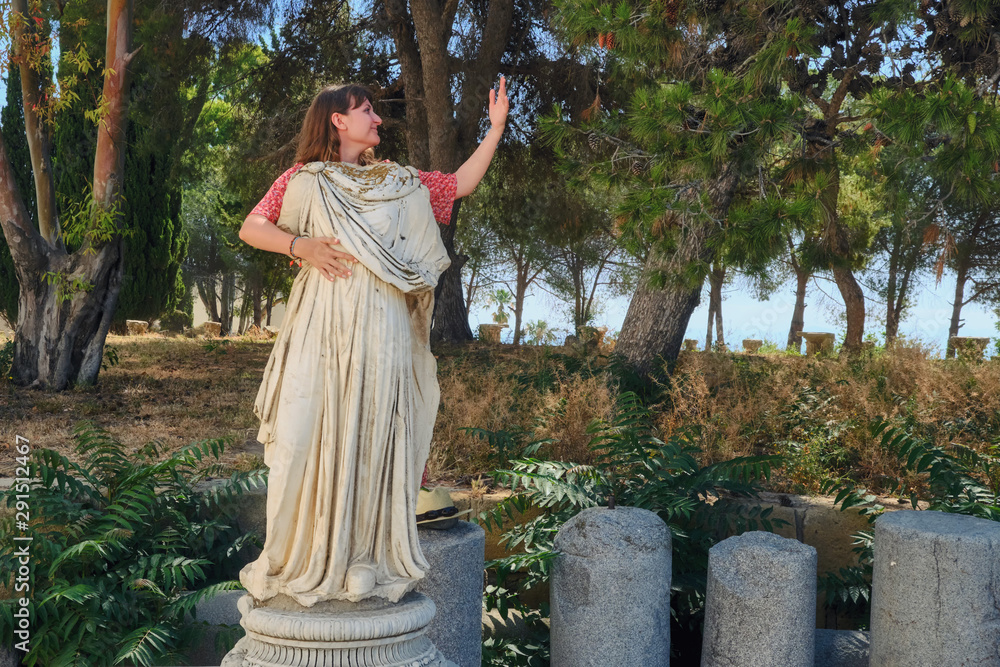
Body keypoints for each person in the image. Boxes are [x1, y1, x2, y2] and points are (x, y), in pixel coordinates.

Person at [236, 79, 508, 606]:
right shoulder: (305, 179)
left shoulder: (400, 183)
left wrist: (495, 128)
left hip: (381, 326)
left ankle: (363, 558)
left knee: (370, 431)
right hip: (321, 324)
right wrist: (302, 245)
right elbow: (253, 226)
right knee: (305, 434)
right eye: (365, 111)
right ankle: (295, 555)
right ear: (337, 119)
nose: (377, 120)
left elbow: (459, 184)